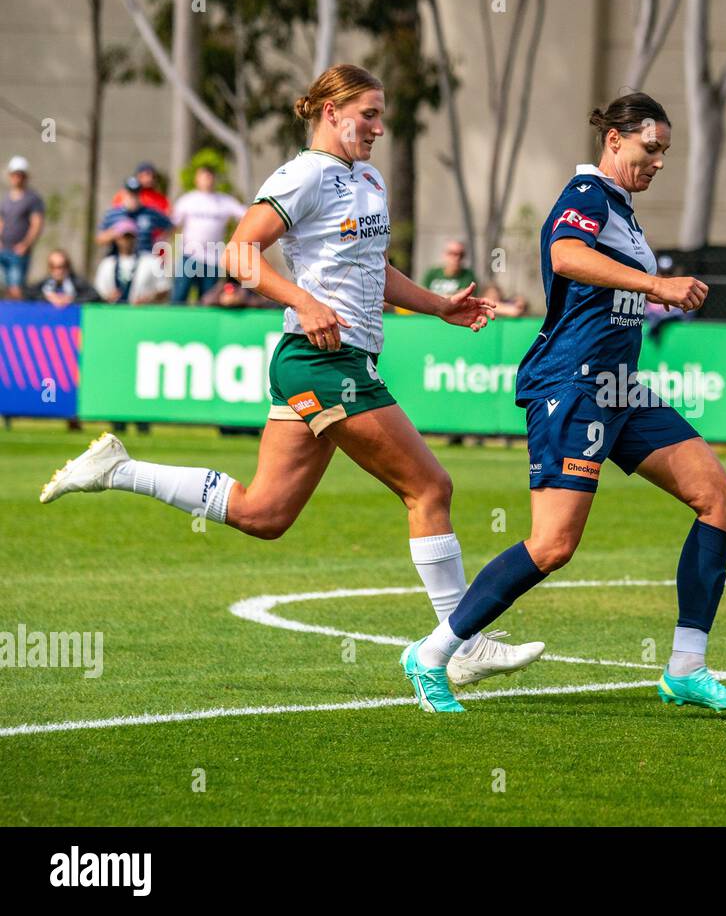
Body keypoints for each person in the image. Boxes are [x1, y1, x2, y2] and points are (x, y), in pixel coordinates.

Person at [39, 64, 543, 700]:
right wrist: (304, 302)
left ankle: (118, 469)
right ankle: (458, 645)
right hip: (321, 361)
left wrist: (438, 305)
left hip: (333, 361)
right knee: (430, 487)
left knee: (264, 513)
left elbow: (374, 268)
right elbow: (239, 253)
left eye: (382, 115)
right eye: (369, 114)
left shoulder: (368, 178)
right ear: (331, 112)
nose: (379, 127)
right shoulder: (302, 174)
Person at [411, 92, 726, 715]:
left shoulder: (624, 208)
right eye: (650, 149)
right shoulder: (588, 194)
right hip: (572, 384)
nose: (657, 162)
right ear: (615, 139)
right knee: (552, 545)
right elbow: (565, 255)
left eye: (665, 154)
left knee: (722, 502)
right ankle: (433, 654)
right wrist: (657, 284)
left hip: (621, 388)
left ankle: (687, 667)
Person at [171, 164, 246, 303]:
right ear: (197, 179)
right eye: (204, 176)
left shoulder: (225, 201)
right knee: (179, 297)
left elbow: (246, 216)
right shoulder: (187, 200)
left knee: (208, 300)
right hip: (189, 256)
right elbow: (172, 225)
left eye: (210, 176)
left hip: (213, 258)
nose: (207, 179)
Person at [91, 220, 171, 304]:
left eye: (130, 237)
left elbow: (164, 289)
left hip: (142, 313)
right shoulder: (107, 264)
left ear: (136, 238)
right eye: (123, 237)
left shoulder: (151, 261)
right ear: (117, 239)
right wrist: (108, 297)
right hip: (113, 313)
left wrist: (149, 298)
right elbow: (98, 293)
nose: (127, 241)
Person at [1, 156, 45, 300]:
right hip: (3, 249)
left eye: (20, 174)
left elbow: (36, 223)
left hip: (18, 252)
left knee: (16, 288)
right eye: (14, 174)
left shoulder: (32, 199)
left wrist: (25, 244)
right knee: (5, 287)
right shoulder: (6, 199)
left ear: (25, 176)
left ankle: (16, 318)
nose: (17, 178)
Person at [96, 177, 173, 251]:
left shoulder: (150, 213)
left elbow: (171, 227)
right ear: (124, 193)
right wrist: (116, 232)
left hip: (145, 258)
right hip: (119, 258)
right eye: (130, 193)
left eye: (136, 193)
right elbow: (99, 239)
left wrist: (160, 242)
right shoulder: (113, 214)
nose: (133, 197)